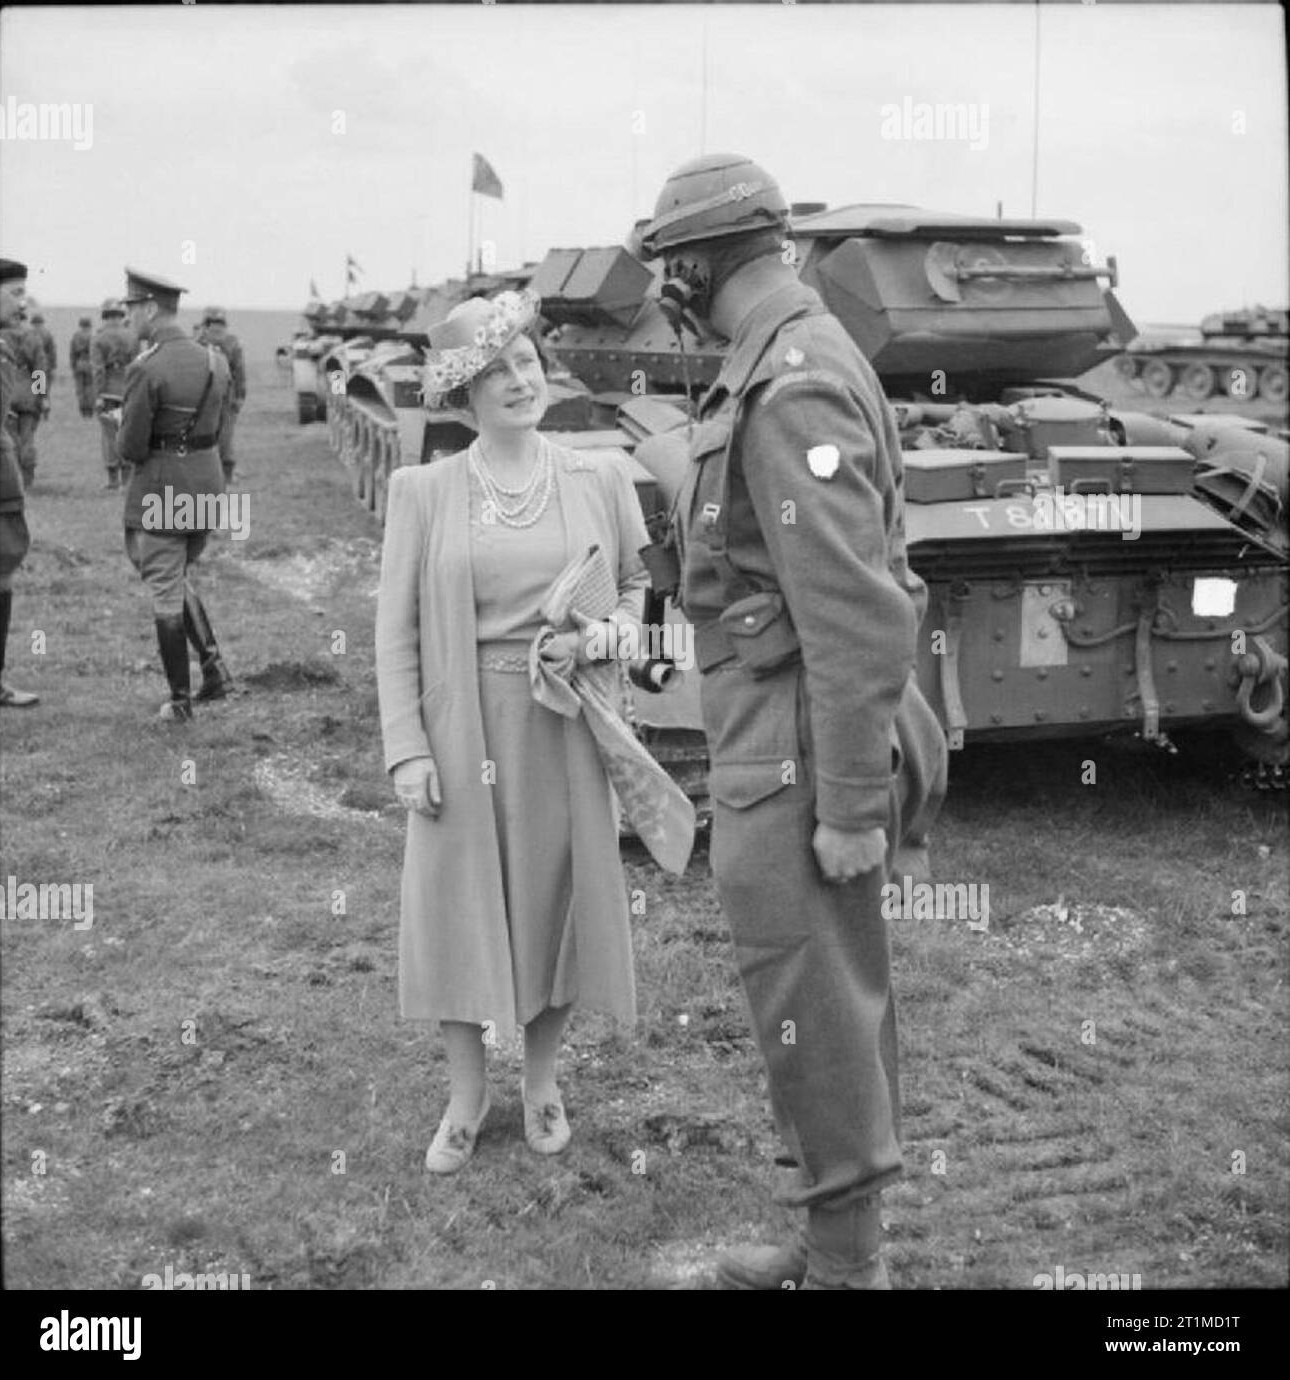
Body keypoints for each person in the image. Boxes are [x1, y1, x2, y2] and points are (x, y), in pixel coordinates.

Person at [637, 154, 948, 1289]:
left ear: (700, 259)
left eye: (669, 258)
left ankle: (845, 1265)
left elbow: (856, 612)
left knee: (814, 1004)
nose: (662, 279)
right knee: (816, 1002)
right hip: (776, 734)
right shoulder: (771, 358)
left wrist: (854, 807)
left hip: (800, 750)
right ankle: (831, 1241)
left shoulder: (792, 378)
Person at [375, 290, 650, 1174]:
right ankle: (466, 1097)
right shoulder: (423, 490)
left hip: (563, 726)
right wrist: (408, 748)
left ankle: (539, 1083)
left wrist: (610, 634)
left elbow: (639, 588)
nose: (518, 380)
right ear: (464, 398)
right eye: (495, 372)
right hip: (461, 729)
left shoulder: (598, 476)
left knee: (554, 904)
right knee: (453, 907)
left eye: (526, 362)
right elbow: (396, 633)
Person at [116, 268, 235, 721]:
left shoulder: (146, 367)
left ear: (149, 308)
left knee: (164, 590)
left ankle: (181, 704)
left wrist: (119, 422)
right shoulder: (215, 360)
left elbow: (129, 449)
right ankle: (214, 670)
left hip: (164, 487)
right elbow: (219, 428)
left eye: (131, 309)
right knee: (178, 576)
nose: (129, 317)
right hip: (207, 486)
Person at [0, 259, 40, 707]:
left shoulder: (10, 346)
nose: (22, 302)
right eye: (15, 292)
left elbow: (41, 370)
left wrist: (37, 401)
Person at [92, 298, 139, 489]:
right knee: (126, 433)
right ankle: (127, 479)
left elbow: (98, 369)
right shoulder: (132, 336)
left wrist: (98, 395)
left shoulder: (99, 338)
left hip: (108, 391)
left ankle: (113, 480)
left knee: (109, 435)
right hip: (128, 389)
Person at [4, 313, 48, 488]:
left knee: (10, 437)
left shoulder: (1, 337)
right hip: (29, 390)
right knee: (27, 437)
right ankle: (28, 478)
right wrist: (41, 396)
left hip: (7, 388)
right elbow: (39, 369)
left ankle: (14, 478)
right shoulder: (33, 338)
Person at [202, 307, 245, 484]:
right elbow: (240, 371)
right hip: (221, 395)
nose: (217, 328)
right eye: (215, 324)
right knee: (224, 435)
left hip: (210, 396)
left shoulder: (199, 342)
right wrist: (240, 396)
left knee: (216, 436)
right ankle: (224, 474)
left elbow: (239, 371)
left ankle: (221, 473)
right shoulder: (232, 343)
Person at [70, 316, 96, 417]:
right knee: (90, 387)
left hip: (79, 363)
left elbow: (72, 353)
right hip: (91, 363)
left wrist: (73, 366)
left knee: (80, 389)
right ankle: (90, 410)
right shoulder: (93, 336)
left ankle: (83, 410)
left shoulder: (76, 336)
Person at [29, 311, 57, 394]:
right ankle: (44, 404)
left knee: (34, 391)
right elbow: (52, 352)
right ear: (42, 323)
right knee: (44, 391)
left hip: (33, 367)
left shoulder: (28, 334)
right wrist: (53, 367)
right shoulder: (47, 334)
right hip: (45, 366)